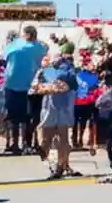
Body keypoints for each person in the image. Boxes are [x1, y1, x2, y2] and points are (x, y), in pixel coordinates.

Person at [1, 25, 49, 155]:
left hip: (14, 85)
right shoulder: (40, 47)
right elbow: (45, 55)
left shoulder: (13, 45)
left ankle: (16, 144)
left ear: (25, 34)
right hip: (31, 86)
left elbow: (3, 59)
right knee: (31, 117)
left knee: (15, 117)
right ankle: (27, 144)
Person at [32, 49, 79, 178]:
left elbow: (70, 86)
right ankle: (58, 164)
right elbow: (35, 87)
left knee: (61, 137)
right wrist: (46, 87)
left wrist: (51, 87)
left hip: (61, 108)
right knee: (50, 138)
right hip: (51, 108)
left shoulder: (68, 72)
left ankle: (60, 166)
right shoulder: (45, 71)